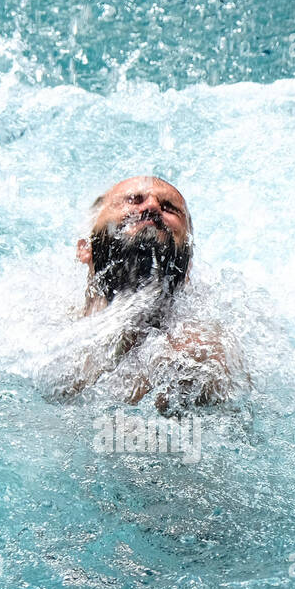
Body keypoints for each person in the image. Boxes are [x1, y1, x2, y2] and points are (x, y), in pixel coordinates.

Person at [52, 175, 244, 412]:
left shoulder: (198, 353)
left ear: (188, 266)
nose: (151, 207)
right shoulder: (38, 329)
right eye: (134, 200)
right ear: (85, 248)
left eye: (169, 208)